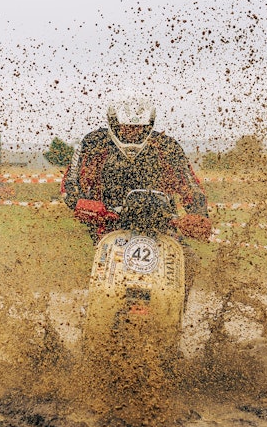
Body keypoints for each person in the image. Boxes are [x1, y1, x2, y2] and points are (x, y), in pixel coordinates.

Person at [62, 95, 212, 291]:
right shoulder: (94, 143)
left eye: (139, 127)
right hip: (109, 224)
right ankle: (93, 302)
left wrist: (199, 215)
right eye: (126, 127)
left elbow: (190, 186)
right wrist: (83, 204)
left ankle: (176, 308)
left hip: (161, 225)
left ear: (149, 125)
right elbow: (71, 184)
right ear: (114, 123)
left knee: (189, 261)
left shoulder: (166, 147)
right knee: (100, 269)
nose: (132, 132)